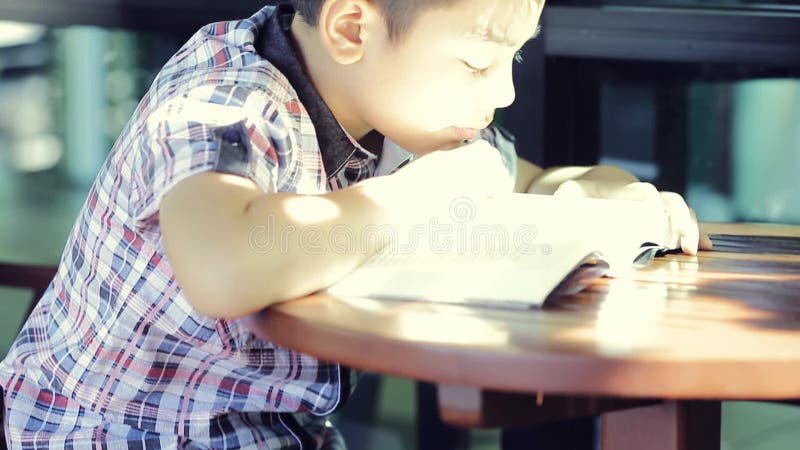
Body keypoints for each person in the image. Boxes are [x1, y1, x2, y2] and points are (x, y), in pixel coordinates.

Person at [0, 0, 711, 448]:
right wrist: (416, 199)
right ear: (351, 28)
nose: (505, 91)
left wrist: (616, 197)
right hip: (103, 432)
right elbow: (220, 264)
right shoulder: (224, 95)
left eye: (513, 59)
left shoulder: (406, 116)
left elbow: (536, 183)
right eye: (476, 61)